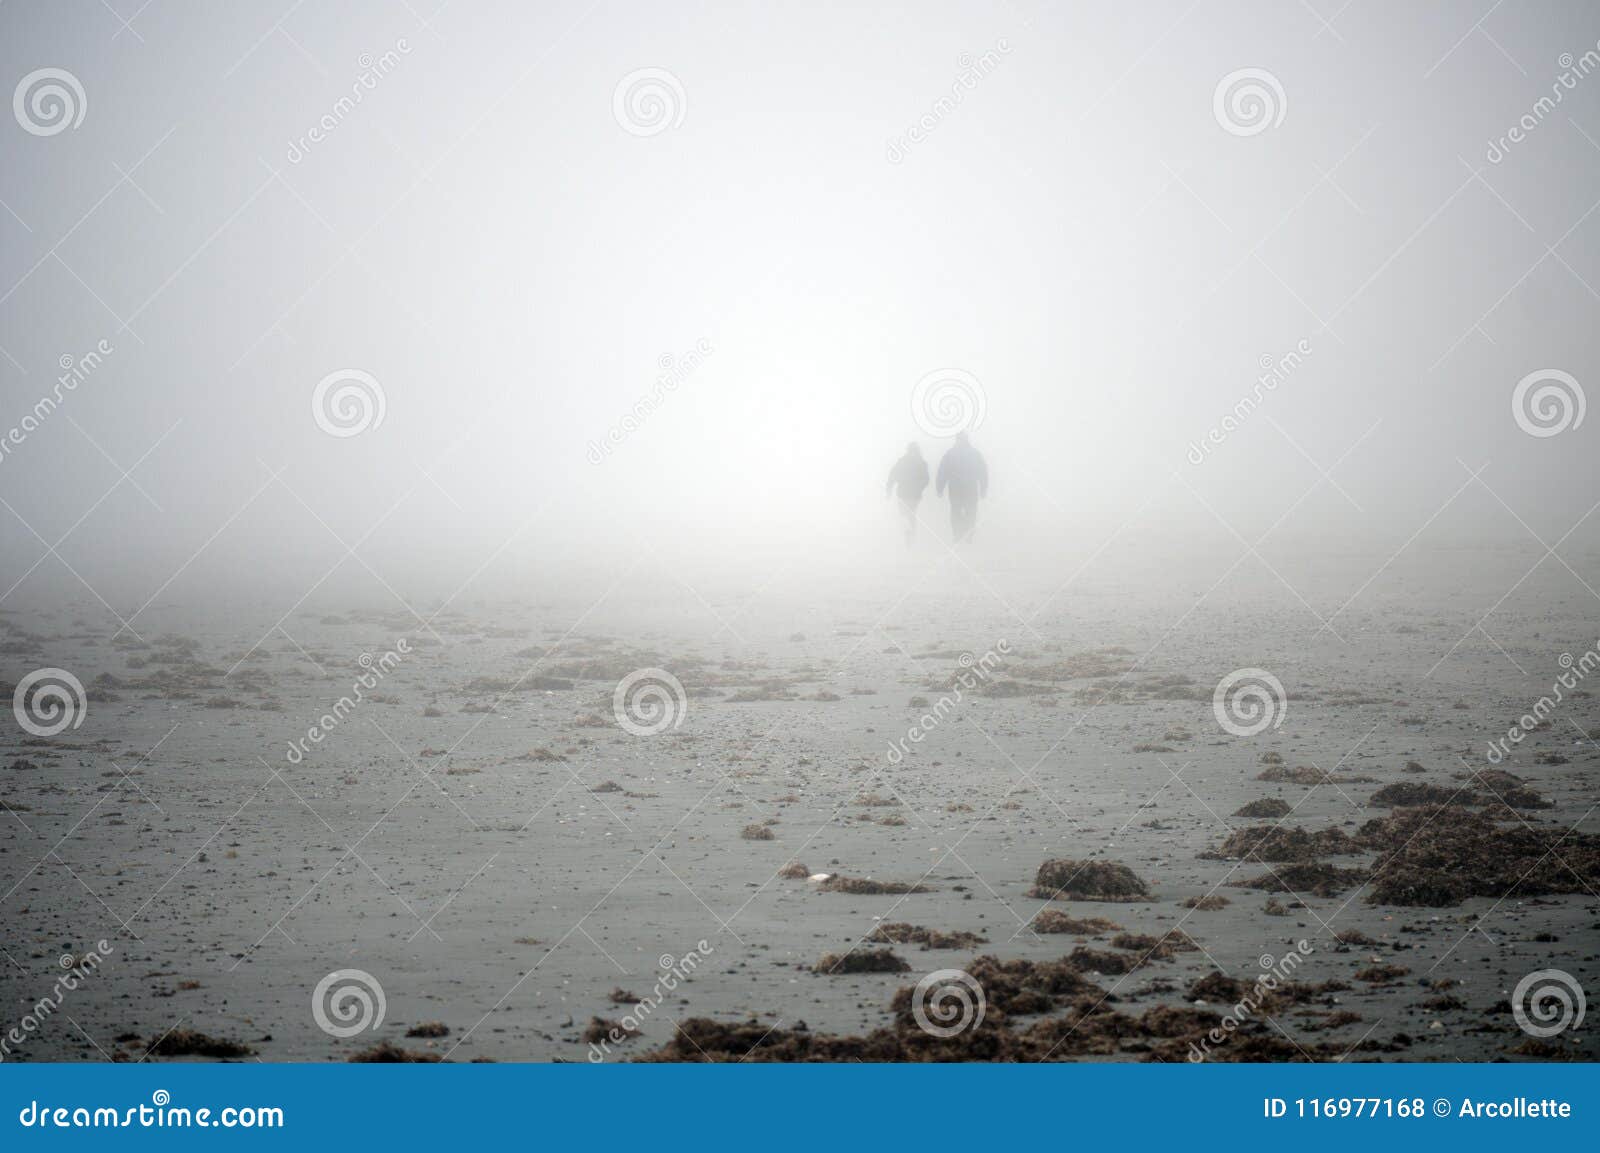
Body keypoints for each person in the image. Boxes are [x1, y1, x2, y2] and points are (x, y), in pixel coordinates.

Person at [936, 431, 988, 542]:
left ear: (957, 440)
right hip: (971, 489)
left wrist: (939, 488)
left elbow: (942, 472)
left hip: (955, 489)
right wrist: (983, 488)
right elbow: (983, 472)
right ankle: (968, 535)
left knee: (955, 512)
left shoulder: (950, 454)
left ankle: (957, 534)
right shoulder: (975, 454)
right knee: (971, 512)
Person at [885, 442, 929, 545]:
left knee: (904, 515)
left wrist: (889, 490)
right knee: (911, 514)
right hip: (914, 496)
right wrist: (919, 488)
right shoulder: (921, 463)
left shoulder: (902, 462)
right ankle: (911, 534)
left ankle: (908, 534)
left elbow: (892, 476)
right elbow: (926, 479)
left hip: (902, 494)